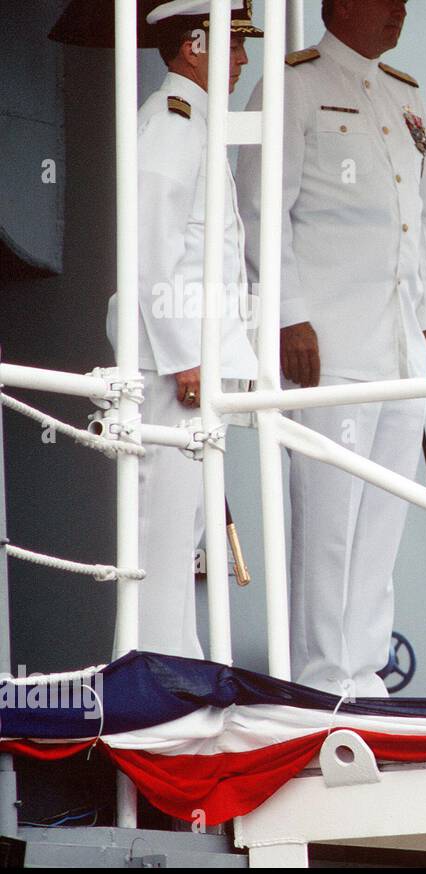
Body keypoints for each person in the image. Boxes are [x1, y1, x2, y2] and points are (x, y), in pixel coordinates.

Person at [237, 0, 426, 698]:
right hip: (329, 344)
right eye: (386, 1)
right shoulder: (293, 85)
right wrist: (289, 316)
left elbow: (424, 222)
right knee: (328, 524)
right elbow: (264, 210)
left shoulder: (405, 94)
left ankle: (365, 673)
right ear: (341, 5)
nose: (400, 12)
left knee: (382, 520)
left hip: (398, 343)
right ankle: (323, 682)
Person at [106, 0, 262, 658]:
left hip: (191, 368)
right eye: (233, 44)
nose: (245, 60)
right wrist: (183, 359)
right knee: (161, 546)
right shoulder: (170, 125)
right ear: (194, 44)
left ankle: (180, 683)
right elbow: (147, 257)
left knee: (184, 539)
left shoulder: (193, 124)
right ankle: (149, 698)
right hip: (172, 372)